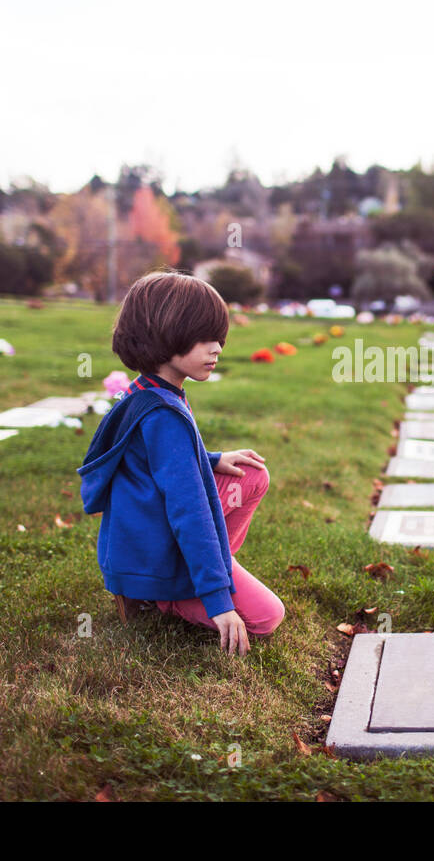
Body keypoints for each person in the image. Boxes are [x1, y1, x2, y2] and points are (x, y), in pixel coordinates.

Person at [77, 270, 284, 655]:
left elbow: (151, 459)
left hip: (142, 540)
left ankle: (207, 569)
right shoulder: (163, 415)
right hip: (151, 561)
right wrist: (218, 602)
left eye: (219, 338)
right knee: (267, 616)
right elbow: (190, 512)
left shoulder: (147, 392)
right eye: (205, 338)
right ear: (165, 335)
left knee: (250, 475)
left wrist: (213, 459)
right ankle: (171, 596)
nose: (217, 348)